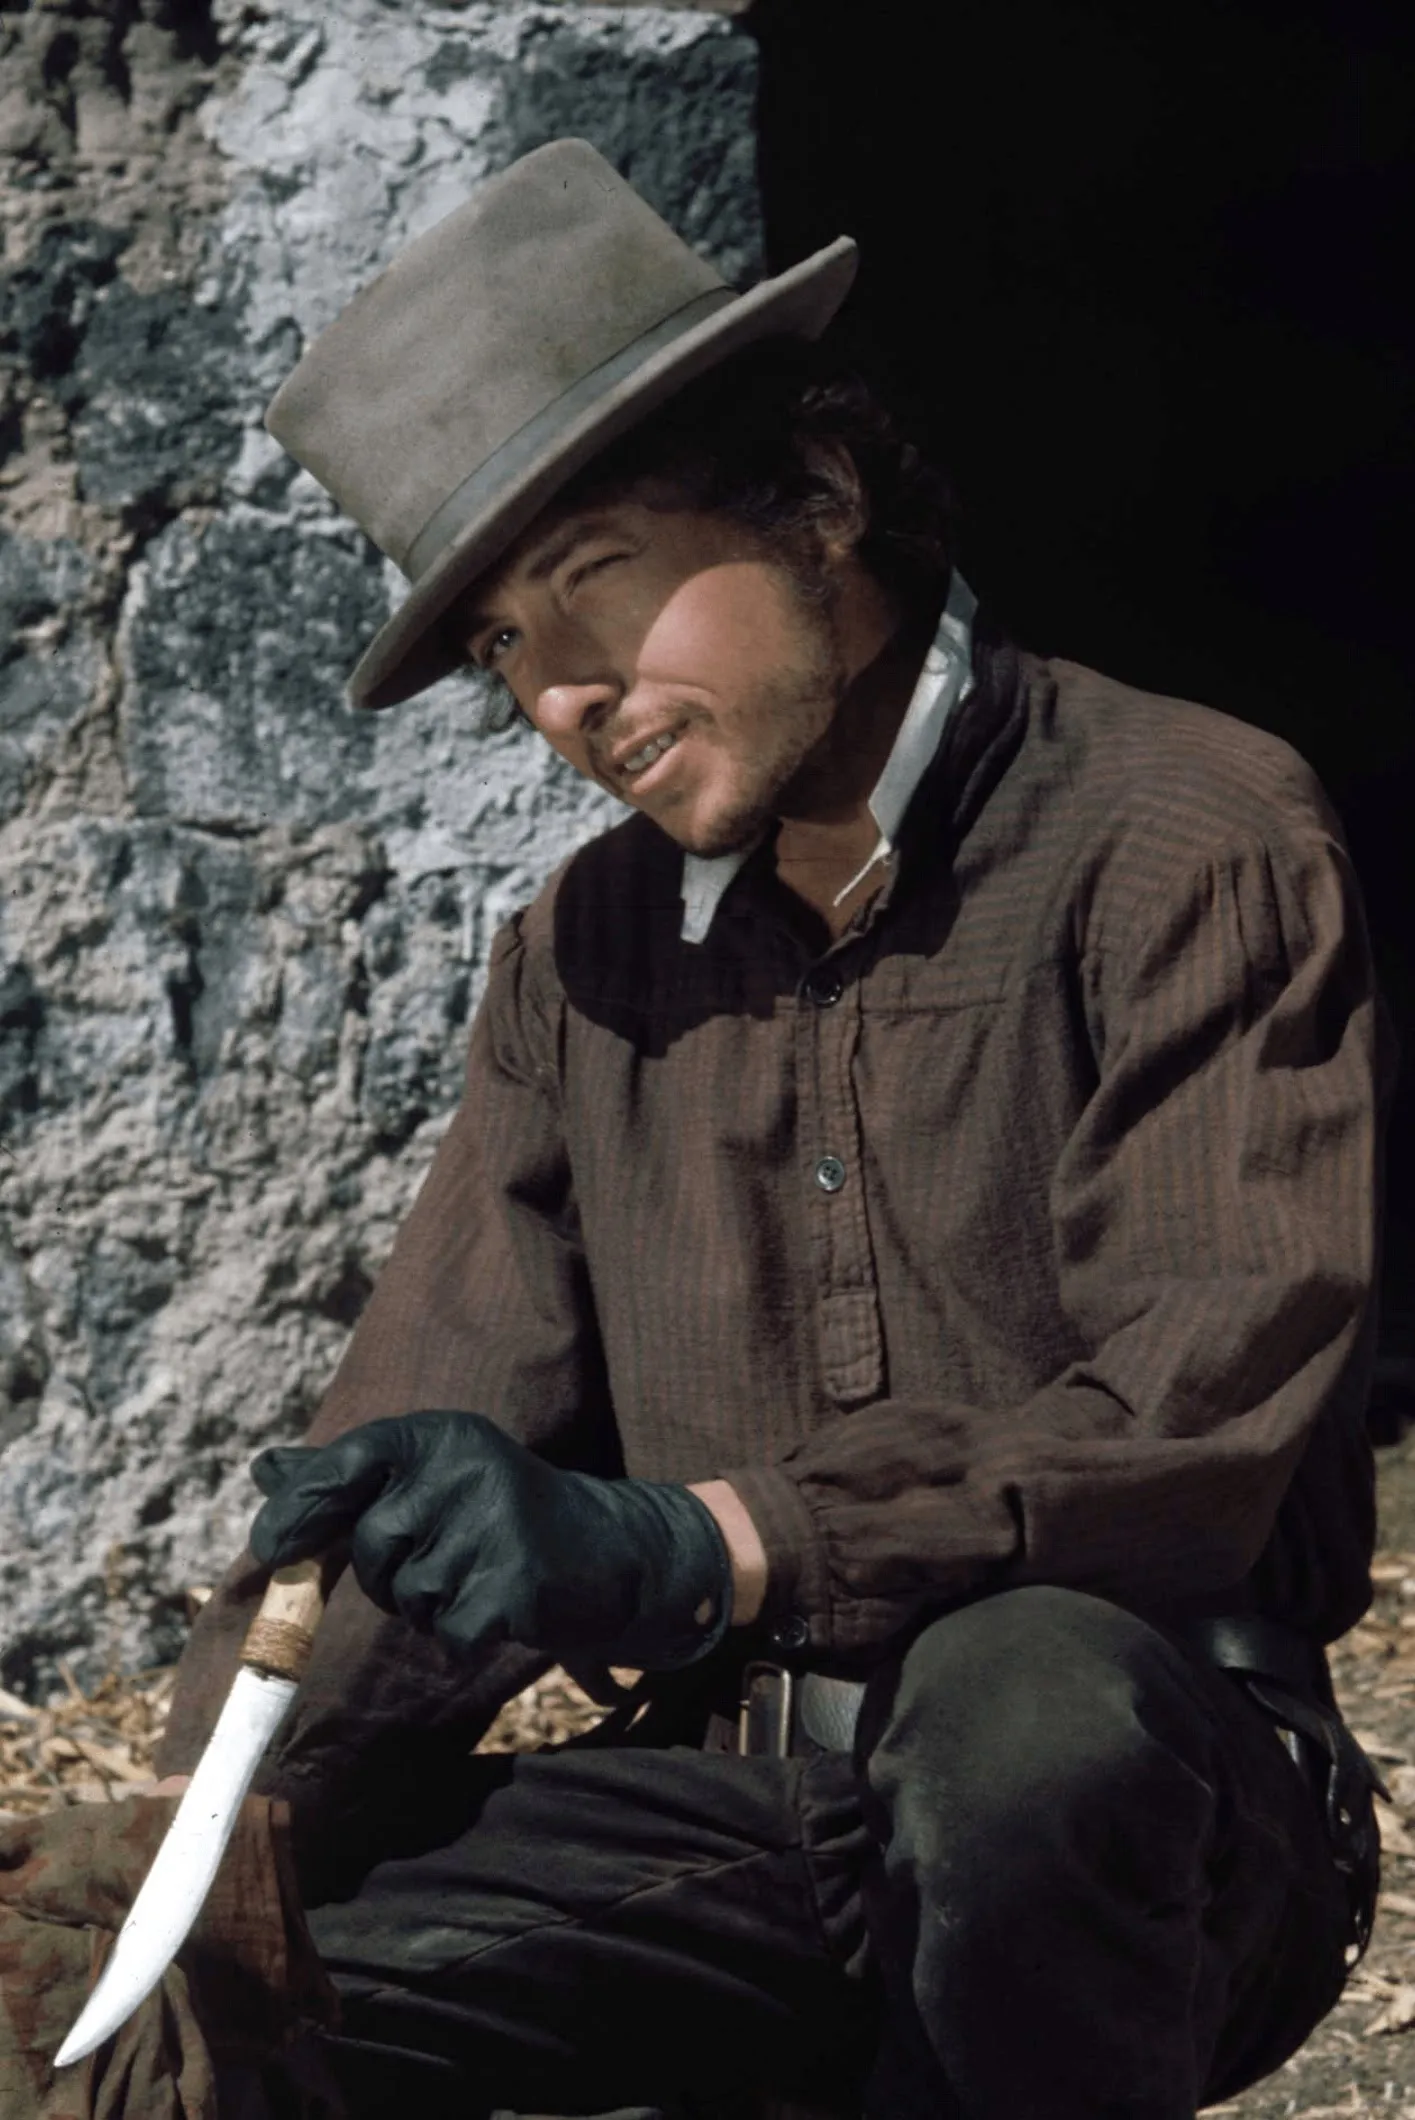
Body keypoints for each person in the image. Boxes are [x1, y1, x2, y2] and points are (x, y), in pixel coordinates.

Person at [147, 138, 1399, 2120]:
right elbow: (416, 1476)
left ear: (818, 502)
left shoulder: (1181, 827)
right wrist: (201, 1849)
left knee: (1016, 1706)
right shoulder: (580, 960)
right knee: (239, 2015)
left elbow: (1188, 1426)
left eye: (592, 582)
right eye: (499, 650)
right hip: (748, 1817)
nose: (564, 695)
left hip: (1144, 1802)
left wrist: (690, 1541)